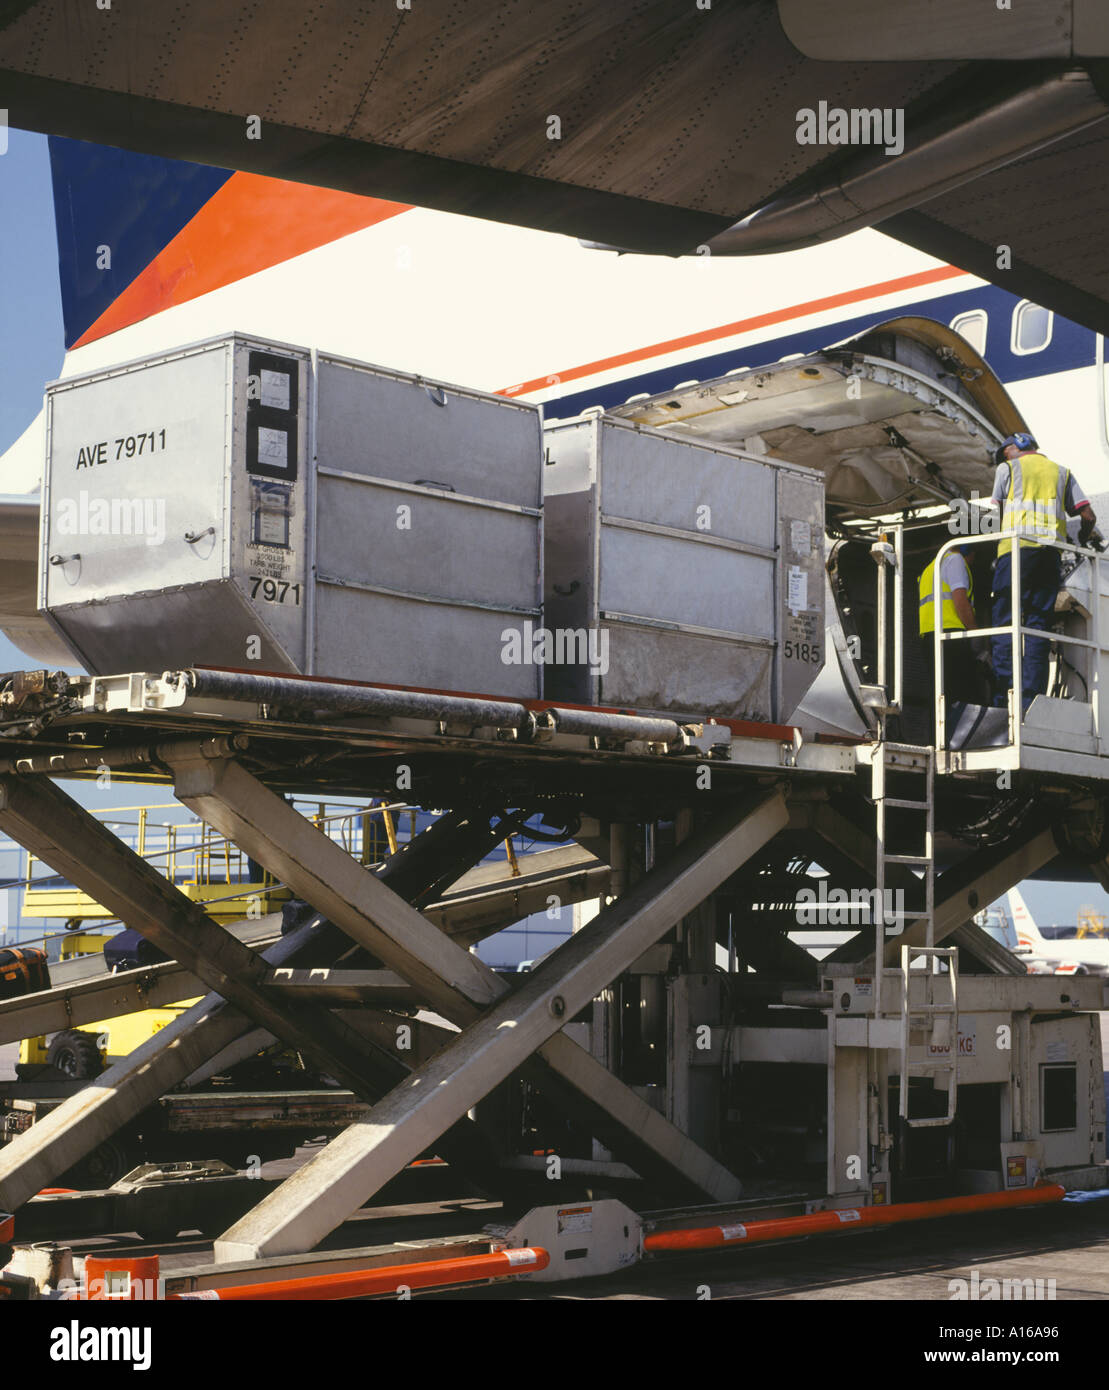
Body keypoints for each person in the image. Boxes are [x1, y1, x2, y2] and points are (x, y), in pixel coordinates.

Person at [990, 432, 1097, 712]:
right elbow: (1088, 517)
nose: (1004, 457)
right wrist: (1083, 540)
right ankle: (1030, 699)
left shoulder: (1008, 469)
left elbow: (994, 514)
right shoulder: (1062, 472)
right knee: (1038, 625)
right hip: (1050, 555)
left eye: (1006, 451)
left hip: (1015, 550)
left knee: (1004, 620)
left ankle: (1004, 696)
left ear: (1016, 448)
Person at [919, 542, 983, 717]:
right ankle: (961, 739)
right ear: (967, 553)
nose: (972, 562)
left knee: (939, 693)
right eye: (973, 557)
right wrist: (976, 634)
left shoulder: (930, 568)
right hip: (951, 636)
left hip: (929, 636)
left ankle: (939, 739)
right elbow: (961, 602)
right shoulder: (955, 560)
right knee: (963, 692)